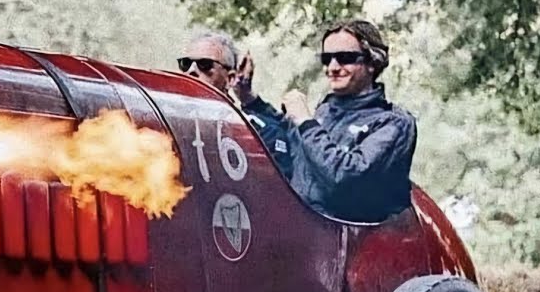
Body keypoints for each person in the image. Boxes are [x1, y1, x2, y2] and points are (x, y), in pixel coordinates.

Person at [277, 20, 417, 223]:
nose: (332, 68)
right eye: (326, 59)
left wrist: (306, 123)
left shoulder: (393, 123)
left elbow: (345, 178)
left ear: (372, 63)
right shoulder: (324, 111)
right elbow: (283, 157)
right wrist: (250, 101)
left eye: (345, 58)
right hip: (300, 234)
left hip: (355, 246)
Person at [178, 31, 294, 179]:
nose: (191, 71)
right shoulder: (167, 123)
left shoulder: (258, 132)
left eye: (204, 64)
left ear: (230, 79)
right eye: (185, 64)